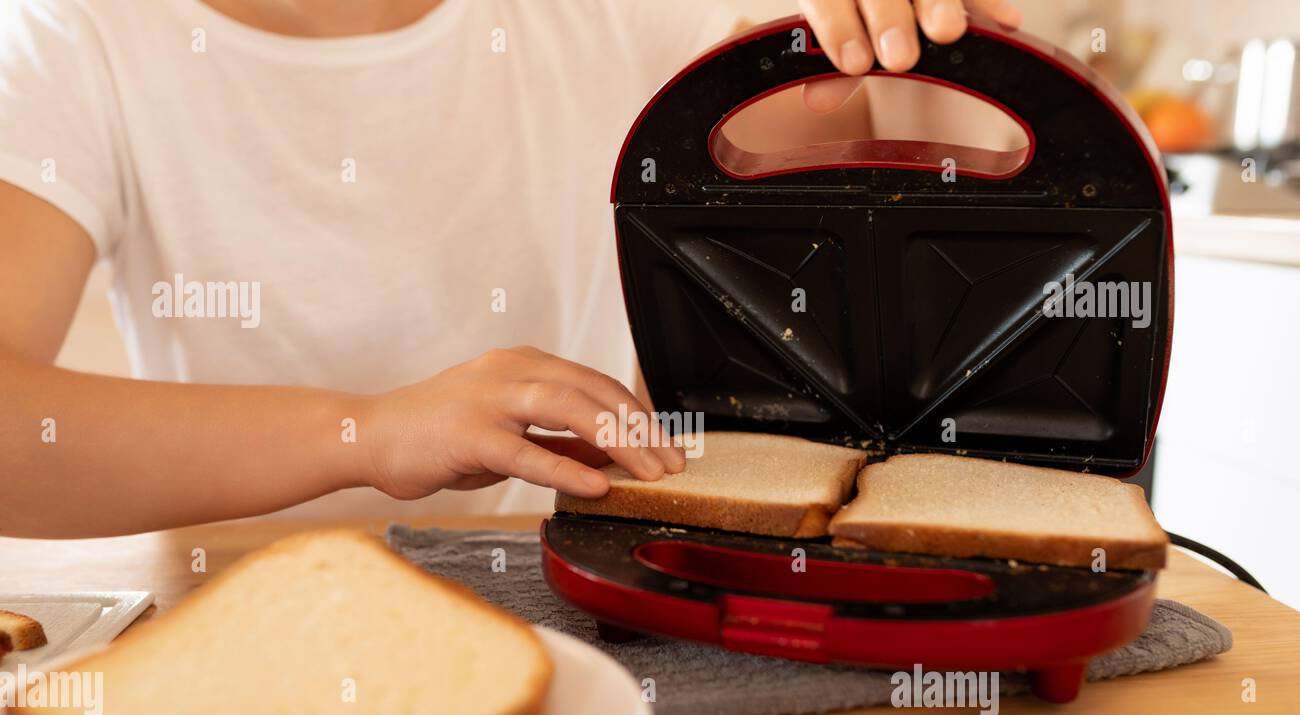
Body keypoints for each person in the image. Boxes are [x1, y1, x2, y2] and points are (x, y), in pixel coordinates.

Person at [0, 0, 1021, 538]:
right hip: (238, 601)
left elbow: (882, 138)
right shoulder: (73, 33)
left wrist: (911, 53)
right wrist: (371, 429)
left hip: (575, 595)